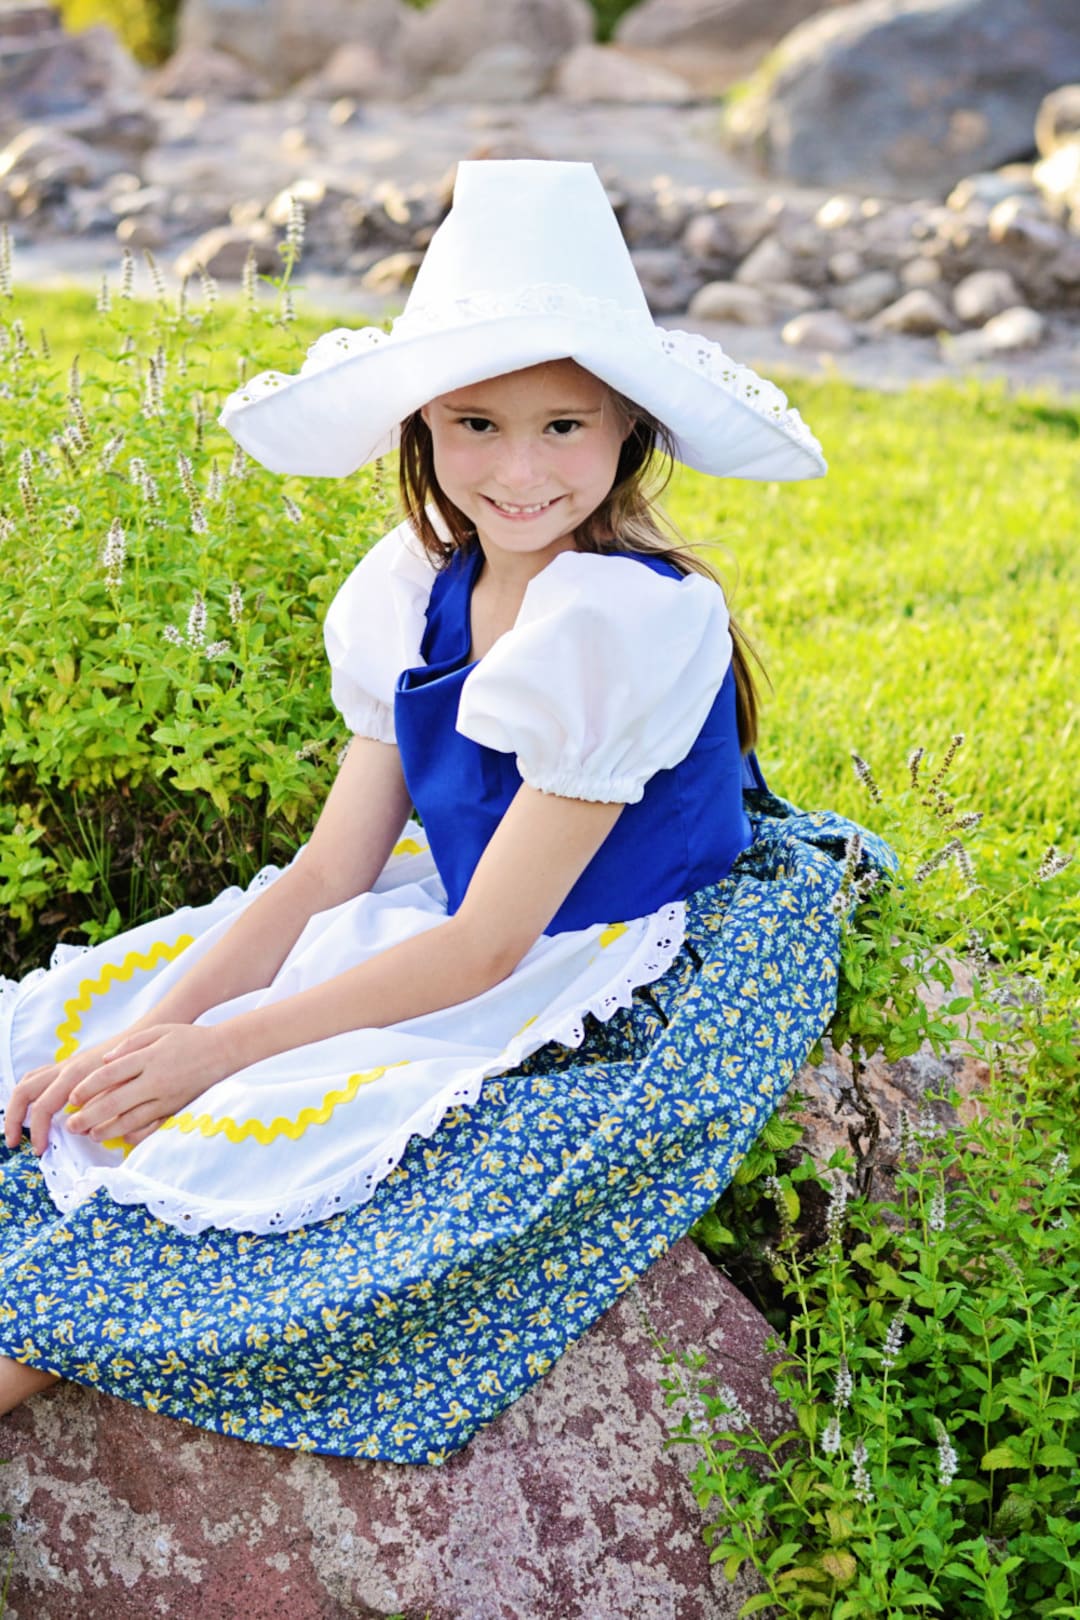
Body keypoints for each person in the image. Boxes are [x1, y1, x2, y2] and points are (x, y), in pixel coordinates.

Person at [0, 161, 887, 1462]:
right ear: (421, 427)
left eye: (564, 427)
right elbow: (325, 878)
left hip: (571, 952)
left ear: (629, 429)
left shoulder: (626, 619)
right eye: (475, 424)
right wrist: (163, 1024)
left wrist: (222, 1056)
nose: (518, 470)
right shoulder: (418, 582)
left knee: (206, 1156)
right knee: (59, 1065)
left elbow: (486, 950)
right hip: (459, 915)